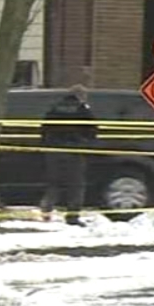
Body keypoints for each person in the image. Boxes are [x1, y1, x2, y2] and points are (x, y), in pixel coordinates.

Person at [40, 85, 97, 225]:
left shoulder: (54, 108)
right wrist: (85, 142)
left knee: (54, 183)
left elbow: (44, 128)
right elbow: (92, 129)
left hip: (53, 151)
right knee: (76, 185)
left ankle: (46, 210)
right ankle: (72, 216)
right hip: (74, 151)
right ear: (81, 96)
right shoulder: (82, 110)